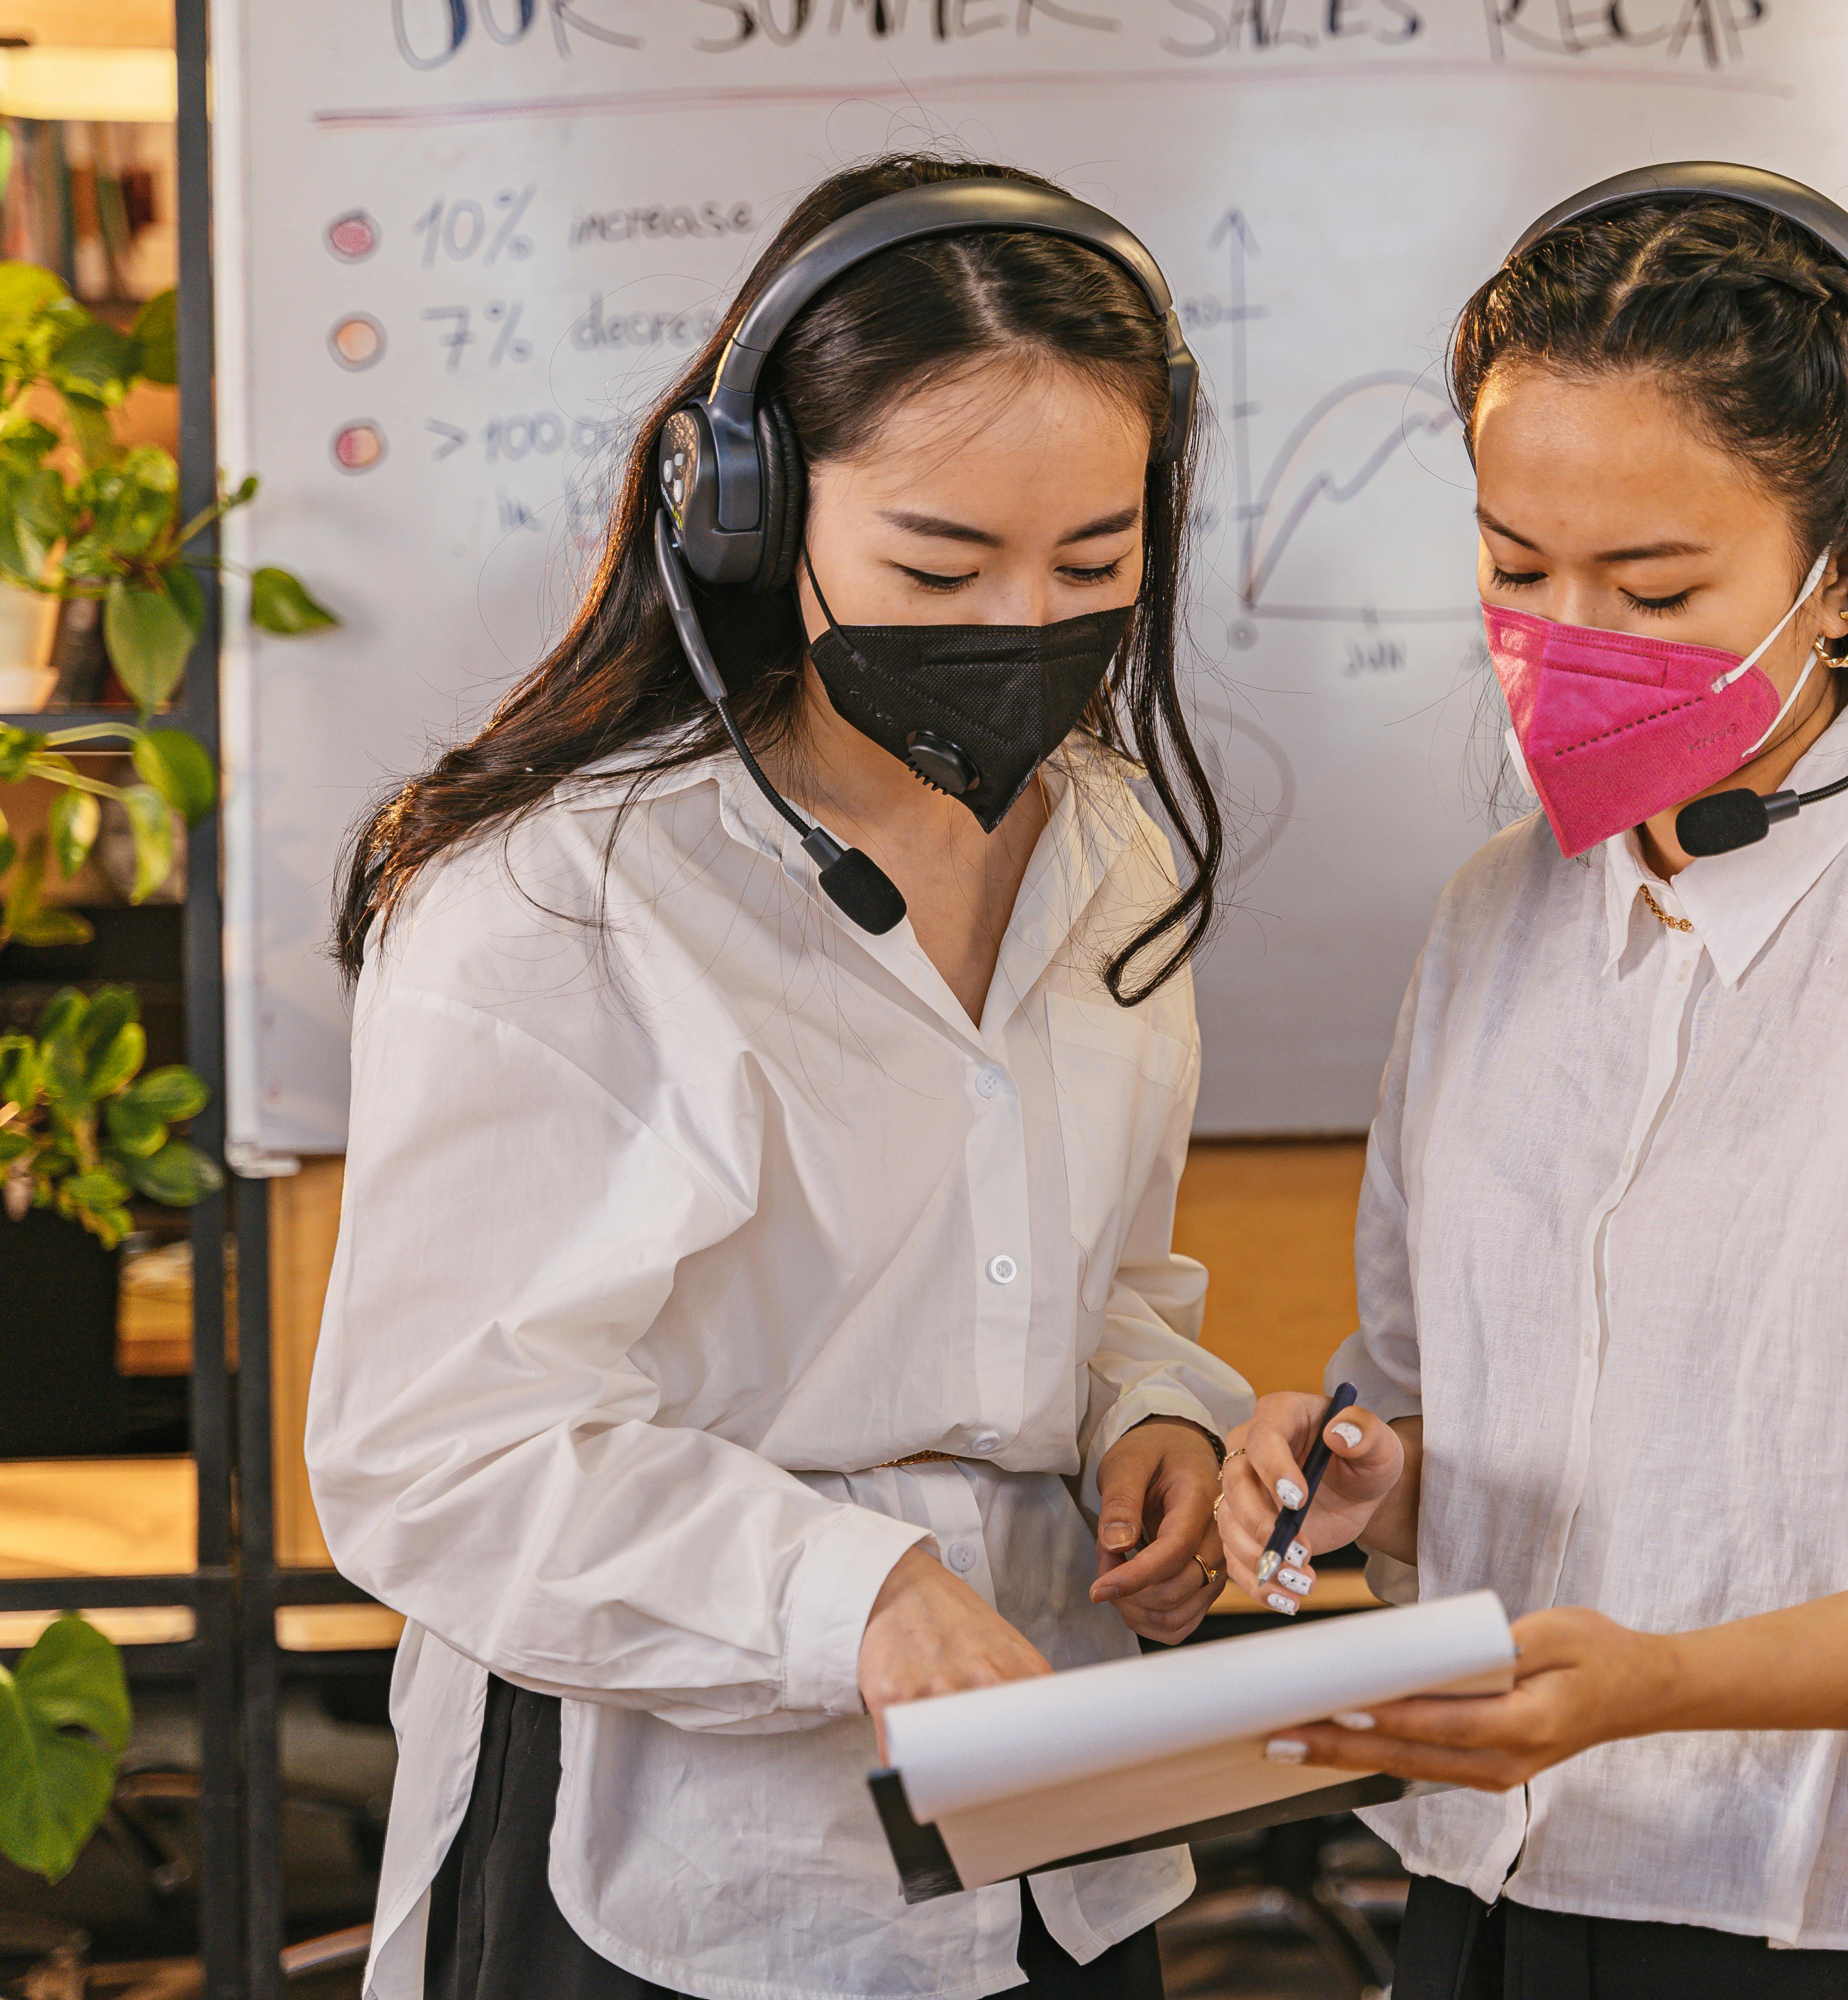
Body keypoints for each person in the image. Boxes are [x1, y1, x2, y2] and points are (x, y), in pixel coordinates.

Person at [1217, 168, 1848, 1998]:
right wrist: (1375, 1478)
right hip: (1491, 1898)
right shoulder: (1494, 923)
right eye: (1515, 567)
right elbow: (1458, 1418)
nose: (1563, 633)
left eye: (1654, 582)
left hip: (1820, 1925)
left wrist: (1662, 1684)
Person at [311, 155, 1252, 2000]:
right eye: (936, 560)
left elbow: (1103, 1273)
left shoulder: (1120, 856)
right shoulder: (557, 900)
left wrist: (1157, 1413)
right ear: (746, 512)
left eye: (1093, 562)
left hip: (1053, 1834)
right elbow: (439, 1457)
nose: (1017, 625)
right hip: (673, 1878)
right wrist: (860, 1599)